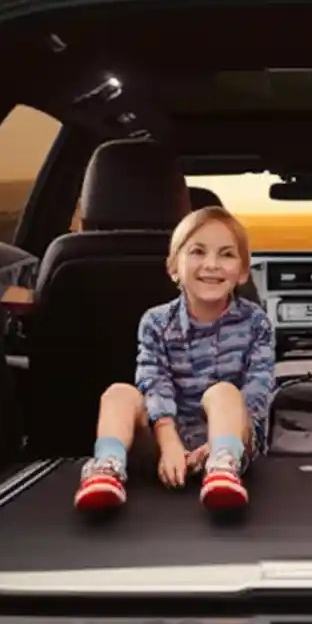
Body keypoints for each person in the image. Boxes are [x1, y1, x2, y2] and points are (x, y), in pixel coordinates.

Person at [75, 206, 275, 512]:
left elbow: (258, 392)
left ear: (243, 272)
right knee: (119, 393)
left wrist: (217, 446)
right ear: (173, 268)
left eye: (226, 254)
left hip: (234, 440)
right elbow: (153, 381)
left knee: (223, 392)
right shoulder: (156, 322)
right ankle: (107, 468)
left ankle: (222, 467)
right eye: (197, 251)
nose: (211, 265)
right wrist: (168, 442)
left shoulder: (256, 323)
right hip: (164, 437)